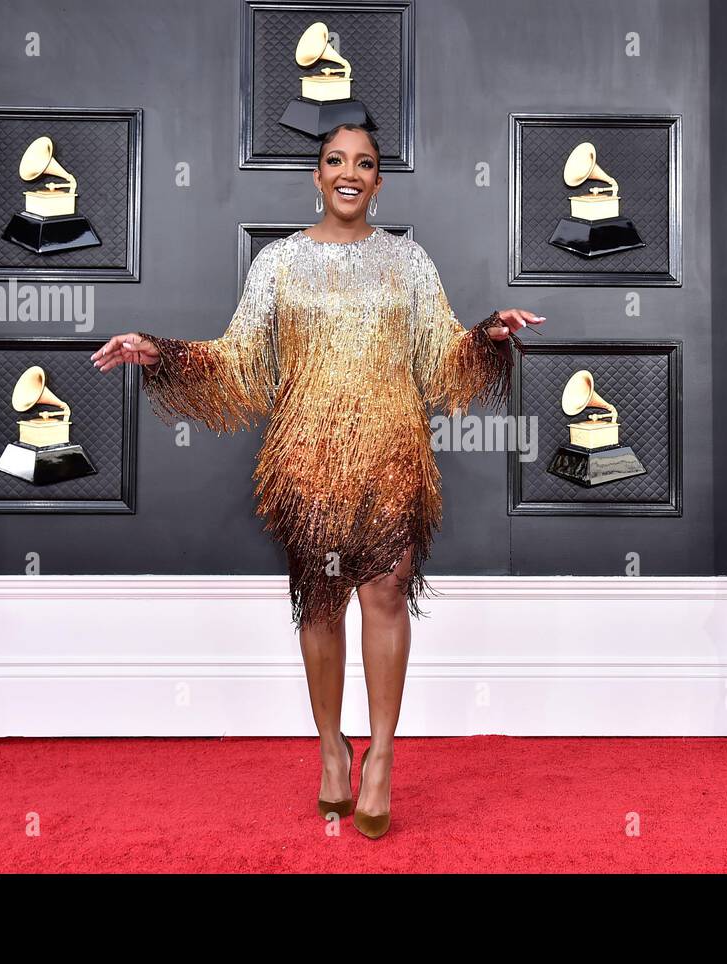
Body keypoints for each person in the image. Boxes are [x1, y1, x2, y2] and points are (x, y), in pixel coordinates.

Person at [91, 123, 545, 839]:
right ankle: (333, 748)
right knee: (323, 605)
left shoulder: (409, 261)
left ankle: (382, 757)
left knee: (388, 592)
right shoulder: (278, 263)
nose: (350, 173)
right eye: (337, 160)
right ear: (317, 174)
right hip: (307, 462)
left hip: (393, 455)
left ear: (378, 182)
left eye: (365, 164)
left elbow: (441, 354)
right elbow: (238, 359)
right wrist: (158, 352)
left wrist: (486, 336)